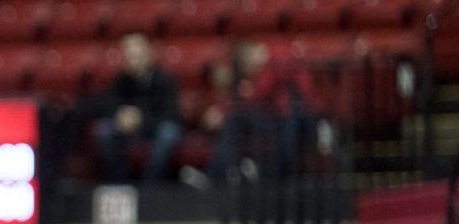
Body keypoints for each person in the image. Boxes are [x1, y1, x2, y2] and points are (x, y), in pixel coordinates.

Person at [207, 41, 318, 181]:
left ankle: (222, 175)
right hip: (267, 121)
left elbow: (259, 95)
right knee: (233, 121)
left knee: (234, 119)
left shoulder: (274, 65)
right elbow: (249, 99)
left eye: (250, 54)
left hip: (282, 121)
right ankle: (223, 173)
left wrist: (225, 108)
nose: (248, 60)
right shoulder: (251, 74)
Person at [95, 34, 183, 184]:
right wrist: (120, 116)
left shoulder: (165, 79)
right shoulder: (120, 80)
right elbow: (109, 106)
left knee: (168, 133)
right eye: (130, 56)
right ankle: (120, 184)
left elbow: (171, 113)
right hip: (129, 129)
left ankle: (149, 186)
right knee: (104, 129)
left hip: (155, 126)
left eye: (137, 55)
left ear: (148, 54)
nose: (134, 60)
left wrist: (141, 119)